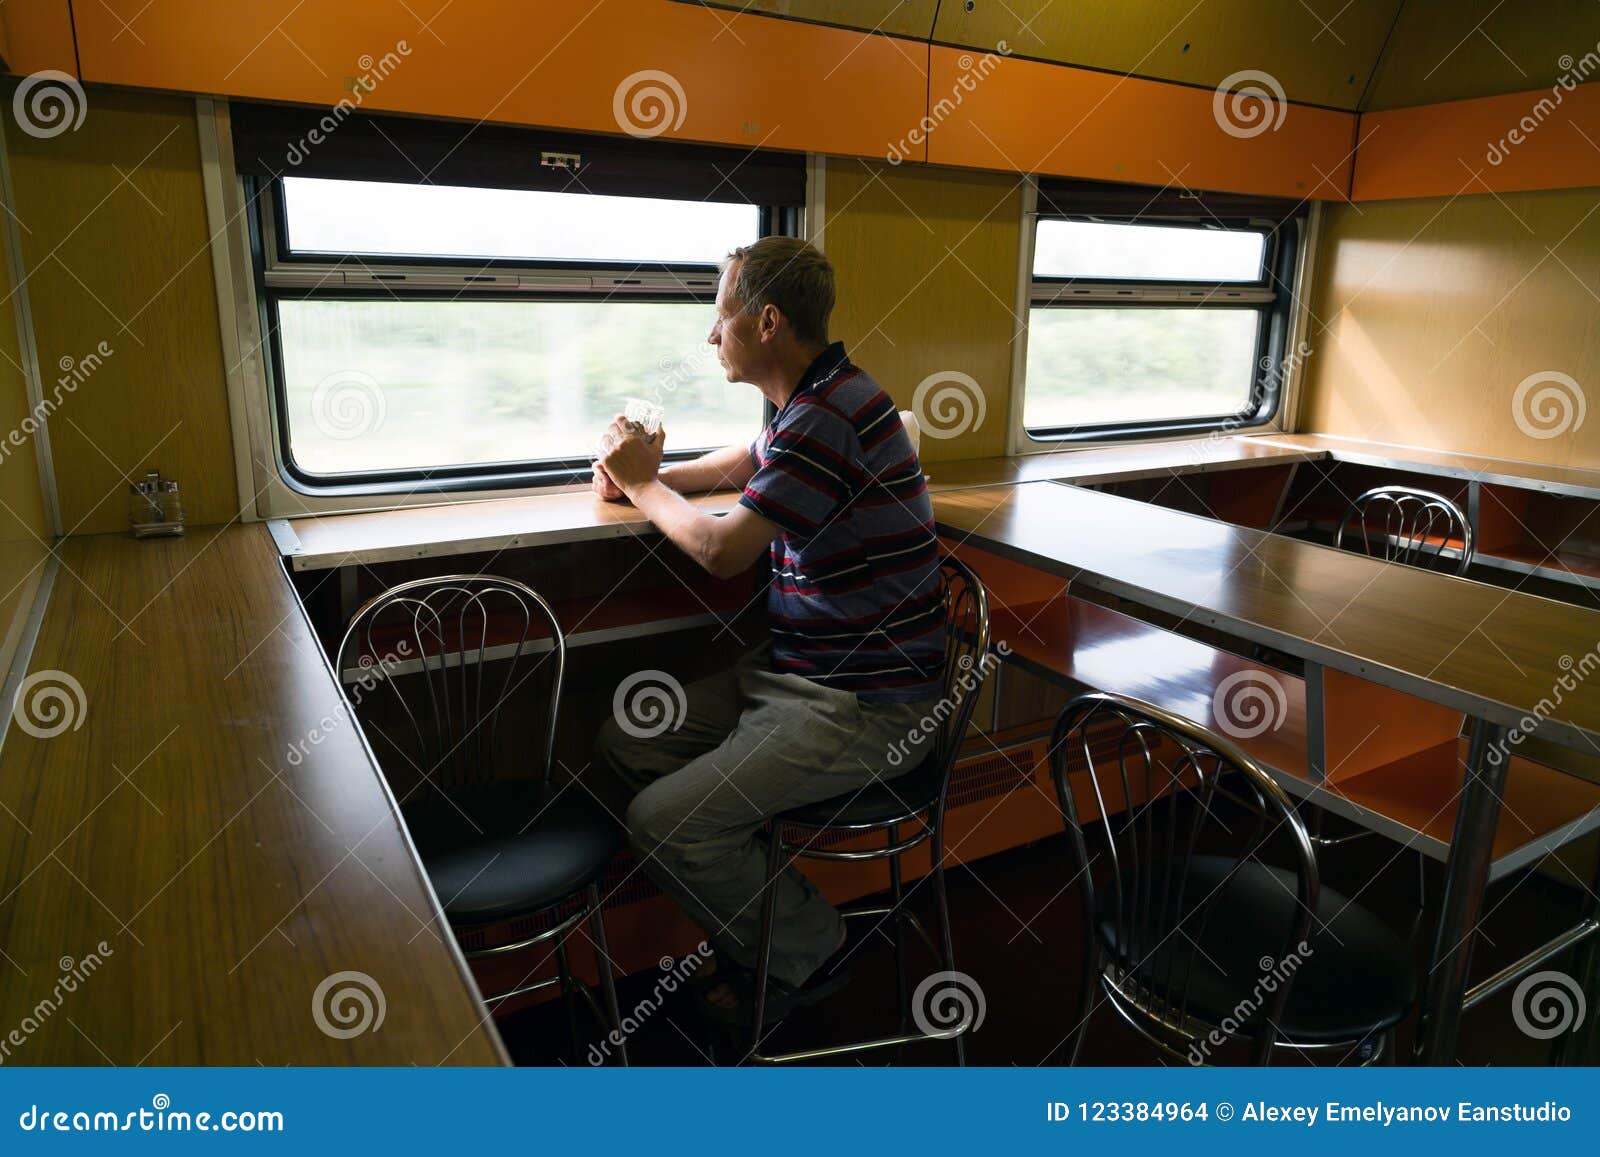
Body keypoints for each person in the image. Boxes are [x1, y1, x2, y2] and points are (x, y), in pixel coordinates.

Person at [591, 235, 945, 1025]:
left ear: (768, 322)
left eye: (721, 319)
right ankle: (765, 922)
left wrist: (645, 485)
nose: (711, 336)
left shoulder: (831, 414)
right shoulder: (814, 401)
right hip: (800, 675)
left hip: (868, 704)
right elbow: (749, 461)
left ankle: (811, 946)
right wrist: (642, 477)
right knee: (627, 740)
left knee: (664, 820)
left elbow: (722, 553)